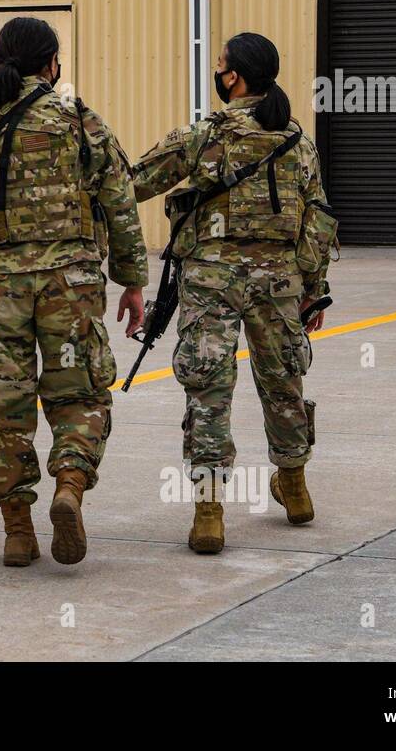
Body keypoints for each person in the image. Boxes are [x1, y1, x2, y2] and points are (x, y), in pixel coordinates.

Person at [0, 17, 148, 568]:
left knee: (7, 410)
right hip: (71, 285)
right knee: (80, 395)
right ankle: (69, 483)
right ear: (51, 64)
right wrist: (133, 281)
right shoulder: (79, 119)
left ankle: (18, 531)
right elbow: (120, 201)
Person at [131, 32, 337, 554]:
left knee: (208, 389)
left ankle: (209, 513)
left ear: (235, 77)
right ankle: (294, 487)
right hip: (279, 282)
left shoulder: (201, 137)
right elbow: (319, 220)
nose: (217, 74)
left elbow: (131, 183)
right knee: (284, 380)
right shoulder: (297, 141)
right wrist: (314, 289)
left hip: (211, 281)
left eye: (220, 65)